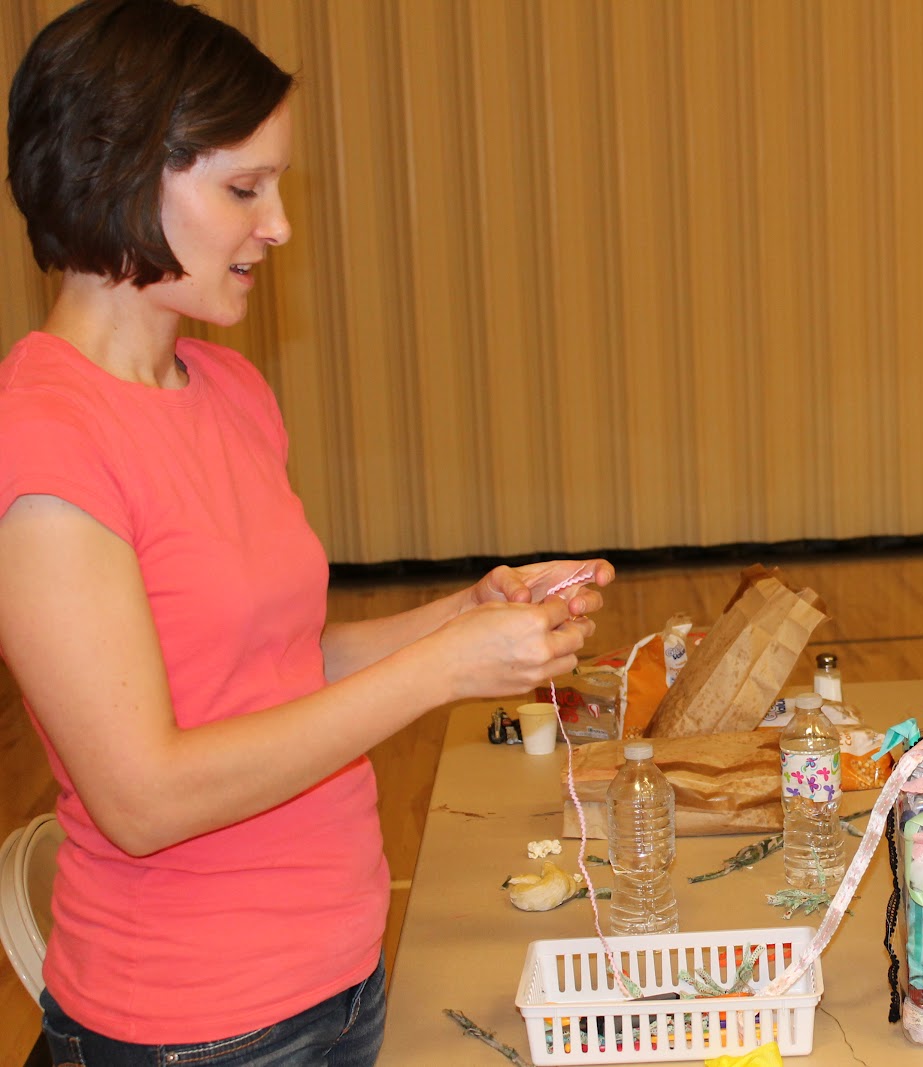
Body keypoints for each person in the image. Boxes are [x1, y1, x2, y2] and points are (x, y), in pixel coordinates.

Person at [0, 1, 612, 1062]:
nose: (278, 224)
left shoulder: (227, 388)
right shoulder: (42, 439)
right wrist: (437, 674)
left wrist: (461, 618)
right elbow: (143, 795)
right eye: (244, 187)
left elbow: (275, 670)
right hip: (199, 1026)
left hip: (336, 973)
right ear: (118, 172)